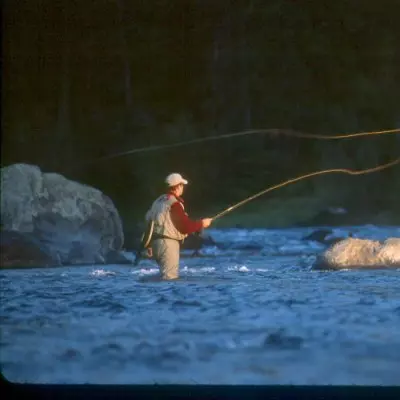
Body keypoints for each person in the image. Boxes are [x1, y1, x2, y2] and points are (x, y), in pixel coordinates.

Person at [144, 173, 213, 280]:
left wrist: (148, 244)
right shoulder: (174, 204)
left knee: (162, 277)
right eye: (182, 185)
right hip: (168, 245)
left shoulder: (158, 201)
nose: (183, 188)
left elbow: (149, 222)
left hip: (155, 244)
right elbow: (184, 227)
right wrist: (202, 224)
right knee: (169, 280)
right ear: (177, 186)